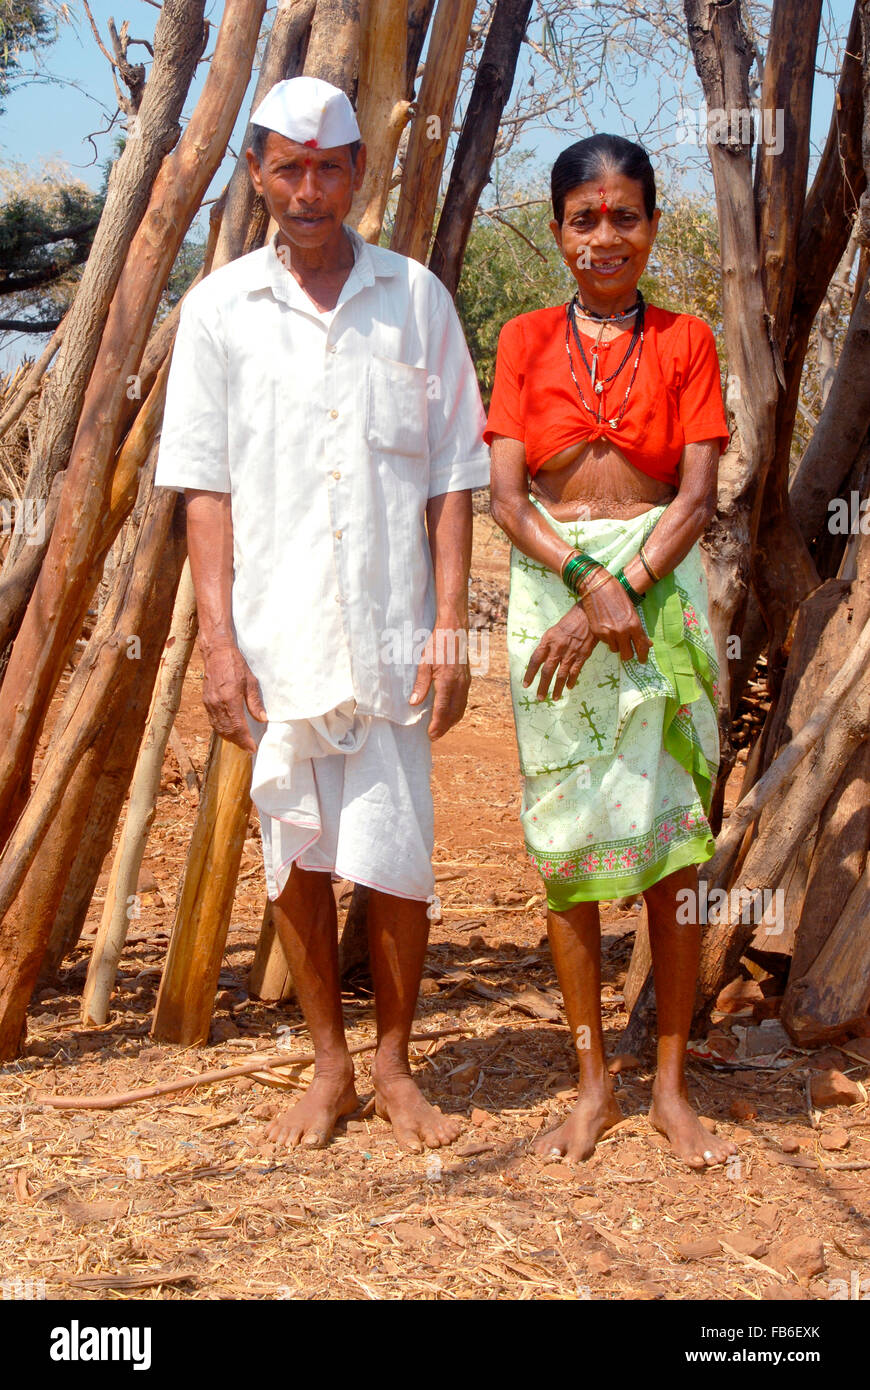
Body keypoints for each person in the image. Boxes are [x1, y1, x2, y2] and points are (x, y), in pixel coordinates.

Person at [155, 76, 489, 1153]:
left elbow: (451, 479)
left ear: (359, 173)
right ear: (256, 175)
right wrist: (216, 638)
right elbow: (204, 485)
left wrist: (448, 627)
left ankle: (394, 1065)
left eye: (328, 167)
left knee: (397, 854)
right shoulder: (217, 313)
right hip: (278, 626)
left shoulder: (416, 300)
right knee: (294, 846)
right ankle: (330, 1065)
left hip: (392, 626)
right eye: (287, 168)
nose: (308, 189)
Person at [487, 134, 738, 1170]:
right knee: (571, 860)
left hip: (661, 605)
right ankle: (592, 1083)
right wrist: (587, 588)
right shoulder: (522, 340)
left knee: (673, 857)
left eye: (624, 215)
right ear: (557, 231)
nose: (604, 236)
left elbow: (696, 497)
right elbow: (506, 497)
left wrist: (620, 590)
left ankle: (670, 1086)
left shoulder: (687, 341)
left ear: (650, 227)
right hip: (548, 599)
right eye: (584, 219)